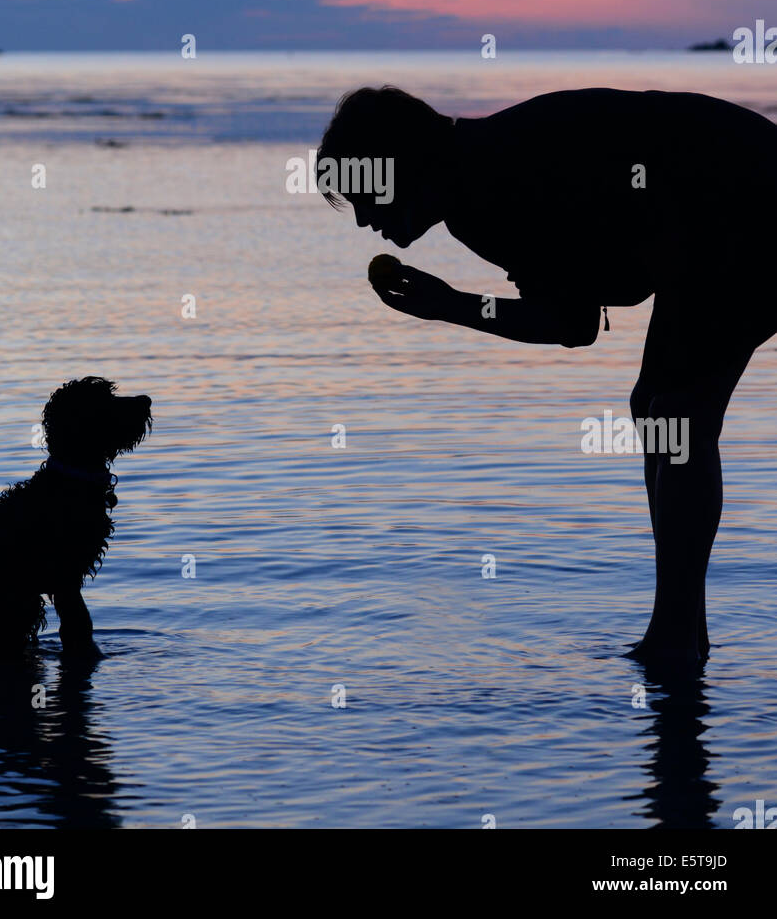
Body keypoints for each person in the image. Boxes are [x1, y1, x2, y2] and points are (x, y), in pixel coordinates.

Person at [317, 84, 777, 674]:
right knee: (658, 410)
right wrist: (450, 304)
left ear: (401, 167)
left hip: (742, 204)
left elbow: (570, 324)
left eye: (363, 196)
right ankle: (685, 631)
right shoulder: (474, 182)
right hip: (707, 218)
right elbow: (572, 316)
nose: (361, 219)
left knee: (677, 416)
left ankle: (676, 639)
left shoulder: (489, 182)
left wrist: (452, 306)